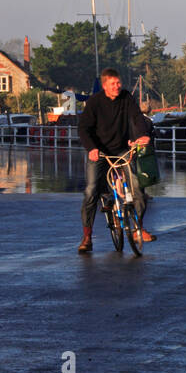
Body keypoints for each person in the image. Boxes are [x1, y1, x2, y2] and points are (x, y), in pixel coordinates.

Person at [77, 68, 153, 253]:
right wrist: (92, 149)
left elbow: (137, 117)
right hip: (100, 152)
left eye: (118, 83)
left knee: (138, 186)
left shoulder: (126, 97)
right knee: (91, 190)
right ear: (104, 86)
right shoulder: (95, 102)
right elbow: (83, 128)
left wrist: (142, 135)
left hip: (122, 149)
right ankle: (87, 236)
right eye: (113, 84)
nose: (117, 86)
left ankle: (138, 229)